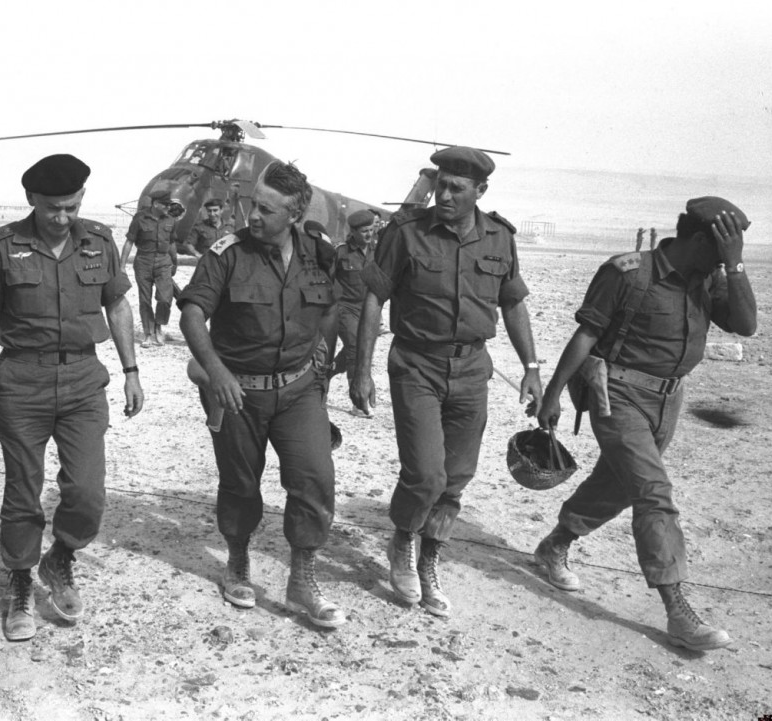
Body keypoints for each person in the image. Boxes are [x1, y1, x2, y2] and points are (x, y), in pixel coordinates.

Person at [534, 197, 756, 652]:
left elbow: (746, 326)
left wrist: (734, 268)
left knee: (619, 484)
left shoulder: (709, 276)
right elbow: (588, 333)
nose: (725, 255)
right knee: (653, 492)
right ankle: (679, 611)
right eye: (723, 248)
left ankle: (555, 543)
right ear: (697, 239)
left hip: (668, 400)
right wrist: (554, 393)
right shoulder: (628, 272)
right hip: (616, 395)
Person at [351, 146, 542, 618]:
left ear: (481, 191)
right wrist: (361, 368)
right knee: (426, 472)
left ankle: (430, 557)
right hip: (417, 364)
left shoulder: (500, 237)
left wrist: (532, 368)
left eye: (458, 188)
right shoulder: (407, 232)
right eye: (441, 184)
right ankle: (401, 543)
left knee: (456, 479)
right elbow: (374, 298)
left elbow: (513, 304)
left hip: (473, 369)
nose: (445, 195)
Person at [0, 154, 144, 642]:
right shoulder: (3, 245)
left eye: (70, 206)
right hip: (21, 380)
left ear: (82, 199)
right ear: (31, 200)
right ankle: (20, 579)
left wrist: (131, 370)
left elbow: (117, 303)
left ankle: (59, 557)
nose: (61, 217)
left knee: (87, 491)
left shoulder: (100, 240)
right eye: (51, 208)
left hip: (85, 378)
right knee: (24, 489)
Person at [178, 161, 346, 629]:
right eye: (254, 205)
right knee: (241, 484)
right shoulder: (228, 252)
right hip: (238, 395)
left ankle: (302, 580)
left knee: (314, 479)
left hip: (298, 392)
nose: (253, 217)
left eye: (266, 211)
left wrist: (322, 360)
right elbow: (192, 313)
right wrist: (216, 372)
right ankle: (237, 560)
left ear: (294, 215)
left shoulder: (318, 253)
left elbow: (331, 307)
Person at [330, 209, 376, 412]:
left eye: (371, 230)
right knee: (355, 348)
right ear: (354, 232)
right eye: (364, 231)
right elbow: (327, 279)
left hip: (367, 309)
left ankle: (328, 371)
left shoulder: (377, 251)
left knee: (361, 348)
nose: (369, 235)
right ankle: (357, 400)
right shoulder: (341, 252)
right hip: (344, 308)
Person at [121, 188, 178, 347]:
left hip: (163, 261)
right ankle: (148, 333)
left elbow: (172, 243)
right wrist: (122, 266)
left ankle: (158, 326)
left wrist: (175, 261)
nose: (168, 207)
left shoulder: (171, 220)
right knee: (145, 299)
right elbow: (129, 242)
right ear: (155, 204)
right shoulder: (139, 219)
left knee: (165, 298)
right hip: (143, 262)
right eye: (165, 204)